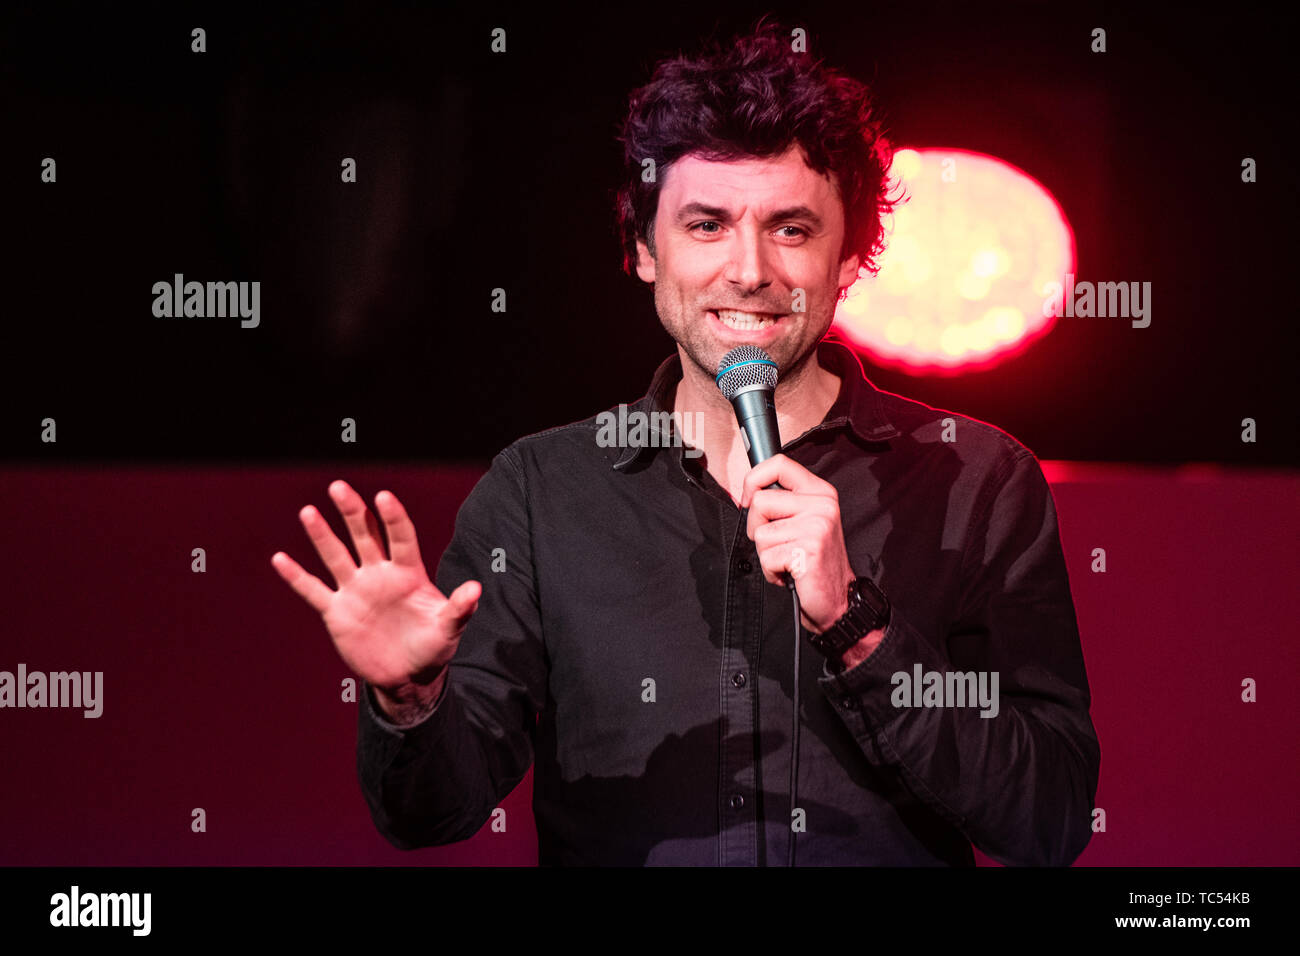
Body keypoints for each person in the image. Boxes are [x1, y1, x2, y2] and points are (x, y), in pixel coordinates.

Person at [271, 19, 1100, 866]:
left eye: (792, 229)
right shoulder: (540, 492)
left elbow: (1052, 820)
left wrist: (859, 625)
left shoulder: (978, 479)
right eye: (706, 226)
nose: (749, 271)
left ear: (850, 258)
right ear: (641, 249)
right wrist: (408, 698)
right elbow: (430, 813)